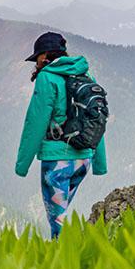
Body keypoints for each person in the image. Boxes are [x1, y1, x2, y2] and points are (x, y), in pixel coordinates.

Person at [15, 32, 109, 238]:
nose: (36, 62)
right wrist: (99, 161)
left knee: (57, 220)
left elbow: (36, 122)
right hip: (84, 160)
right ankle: (71, 255)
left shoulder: (47, 77)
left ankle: (65, 261)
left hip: (58, 160)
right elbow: (96, 121)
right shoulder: (85, 75)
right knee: (62, 214)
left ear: (46, 55)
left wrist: (22, 164)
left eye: (37, 57)